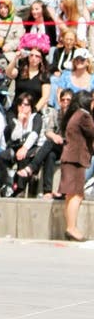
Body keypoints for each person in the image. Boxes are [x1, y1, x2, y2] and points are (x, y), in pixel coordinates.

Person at [18, 89, 72, 199]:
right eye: (63, 100)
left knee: (49, 144)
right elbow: (48, 131)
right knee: (50, 154)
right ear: (59, 101)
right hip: (57, 145)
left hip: (71, 146)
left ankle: (31, 168)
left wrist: (58, 138)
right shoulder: (55, 113)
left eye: (68, 100)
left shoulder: (75, 116)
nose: (65, 102)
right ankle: (47, 190)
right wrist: (55, 136)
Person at [60, 91, 94, 240]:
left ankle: (70, 226)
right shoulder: (84, 116)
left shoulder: (75, 114)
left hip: (70, 157)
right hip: (76, 158)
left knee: (70, 195)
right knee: (77, 194)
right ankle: (71, 227)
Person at [0, 93, 42, 197]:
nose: (22, 107)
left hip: (33, 147)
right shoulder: (16, 119)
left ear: (31, 107)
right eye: (20, 104)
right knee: (2, 156)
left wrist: (24, 148)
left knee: (24, 156)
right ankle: (3, 185)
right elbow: (14, 137)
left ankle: (20, 188)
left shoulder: (36, 117)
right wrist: (20, 122)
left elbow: (34, 134)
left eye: (25, 105)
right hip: (17, 146)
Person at [6, 43, 51, 112]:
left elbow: (45, 97)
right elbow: (9, 73)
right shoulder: (20, 71)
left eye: (37, 56)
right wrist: (15, 58)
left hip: (34, 110)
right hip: (16, 109)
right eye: (31, 55)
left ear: (41, 59)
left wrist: (33, 111)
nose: (34, 58)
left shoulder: (44, 76)